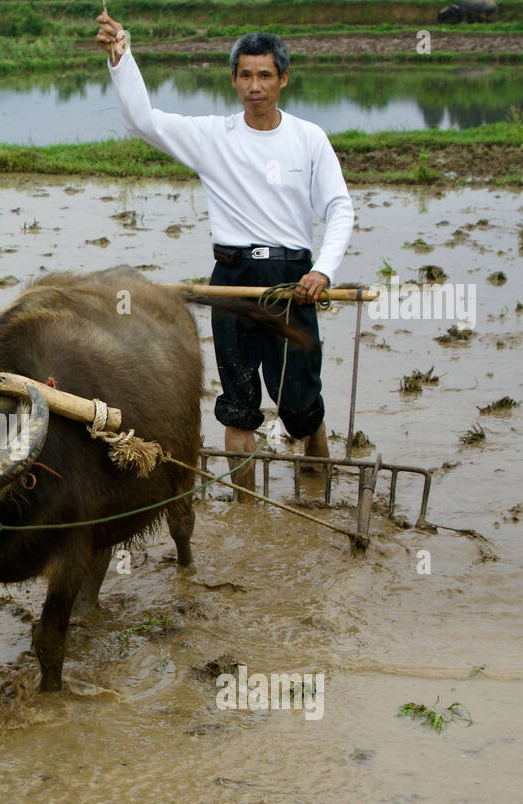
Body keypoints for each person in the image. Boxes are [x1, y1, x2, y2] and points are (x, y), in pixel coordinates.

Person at [95, 15, 354, 502]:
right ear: (233, 79)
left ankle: (316, 470)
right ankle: (247, 507)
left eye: (265, 76)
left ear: (283, 80)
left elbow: (339, 208)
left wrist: (323, 269)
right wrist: (121, 55)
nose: (255, 86)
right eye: (246, 76)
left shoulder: (309, 138)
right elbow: (143, 120)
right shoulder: (213, 136)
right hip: (231, 279)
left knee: (298, 403)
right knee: (237, 403)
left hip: (291, 280)